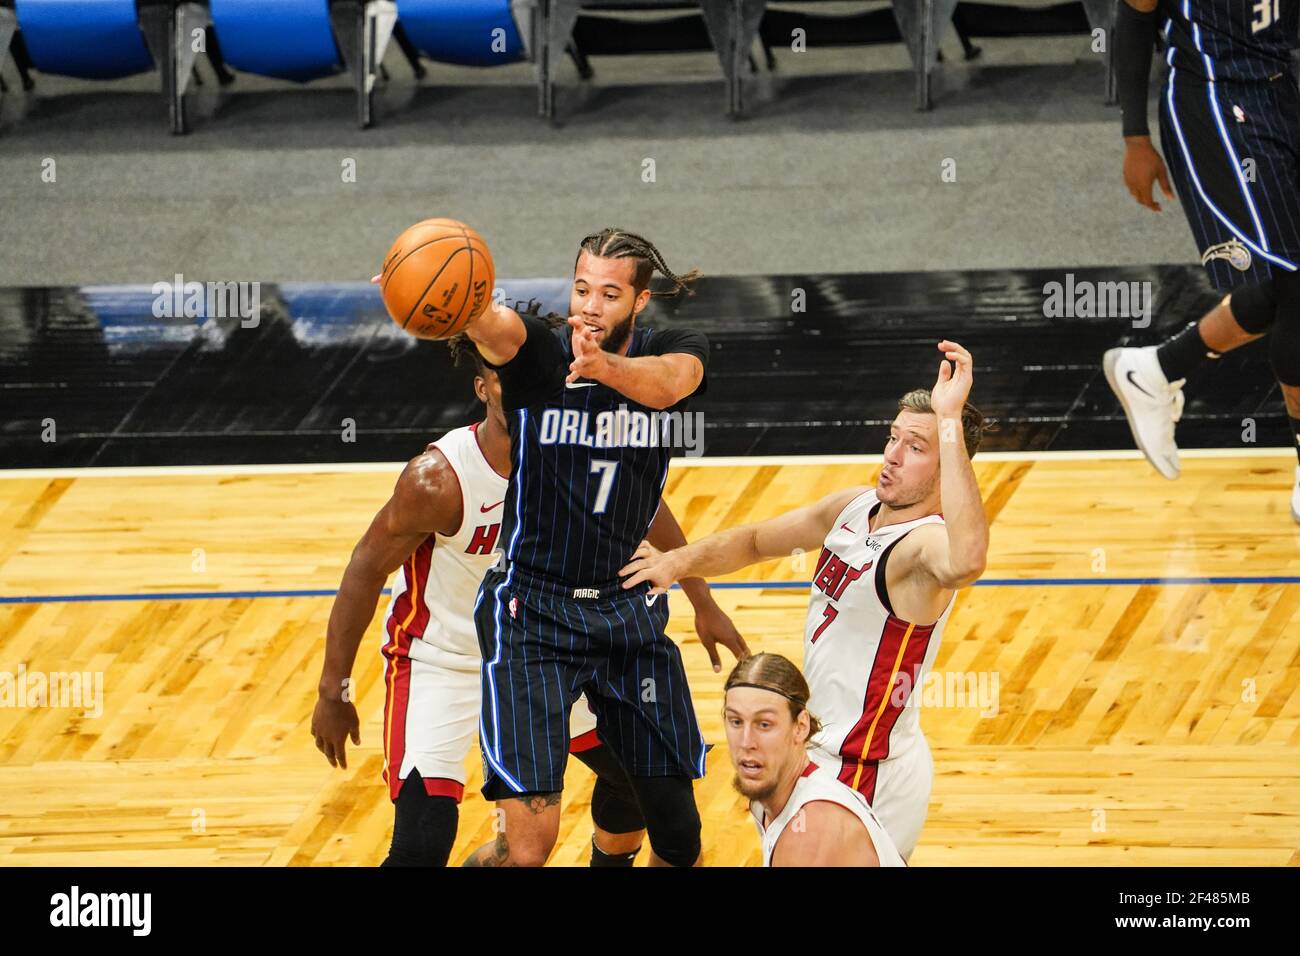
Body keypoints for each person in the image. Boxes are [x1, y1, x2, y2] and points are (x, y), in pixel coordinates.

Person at [310, 335, 738, 866]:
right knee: (420, 846)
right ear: (482, 387)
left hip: (546, 646)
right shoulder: (440, 480)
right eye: (504, 377)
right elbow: (365, 569)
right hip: (447, 660)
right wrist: (335, 688)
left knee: (632, 778)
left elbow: (647, 512)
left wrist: (703, 600)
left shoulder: (577, 448)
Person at [620, 341, 988, 859]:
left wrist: (949, 421)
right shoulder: (854, 507)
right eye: (893, 437)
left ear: (947, 464)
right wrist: (675, 564)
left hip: (865, 767)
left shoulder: (922, 549)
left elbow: (969, 560)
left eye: (916, 447)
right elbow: (753, 541)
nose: (892, 455)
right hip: (813, 747)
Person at [459, 228, 749, 867]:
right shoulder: (538, 353)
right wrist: (454, 302)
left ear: (640, 301)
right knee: (529, 849)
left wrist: (702, 598)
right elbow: (495, 329)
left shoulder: (673, 347)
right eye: (582, 288)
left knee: (678, 834)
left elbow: (671, 385)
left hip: (627, 609)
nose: (590, 306)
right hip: (533, 611)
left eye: (610, 294)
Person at [1104, 0, 1300, 520]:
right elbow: (1134, 15)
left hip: (1280, 89)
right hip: (1213, 106)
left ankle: (1156, 367)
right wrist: (1135, 136)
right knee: (1297, 285)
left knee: (1287, 281)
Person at [724, 652, 904, 867]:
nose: (746, 742)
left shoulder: (809, 833)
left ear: (800, 727)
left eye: (764, 724)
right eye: (735, 721)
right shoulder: (771, 791)